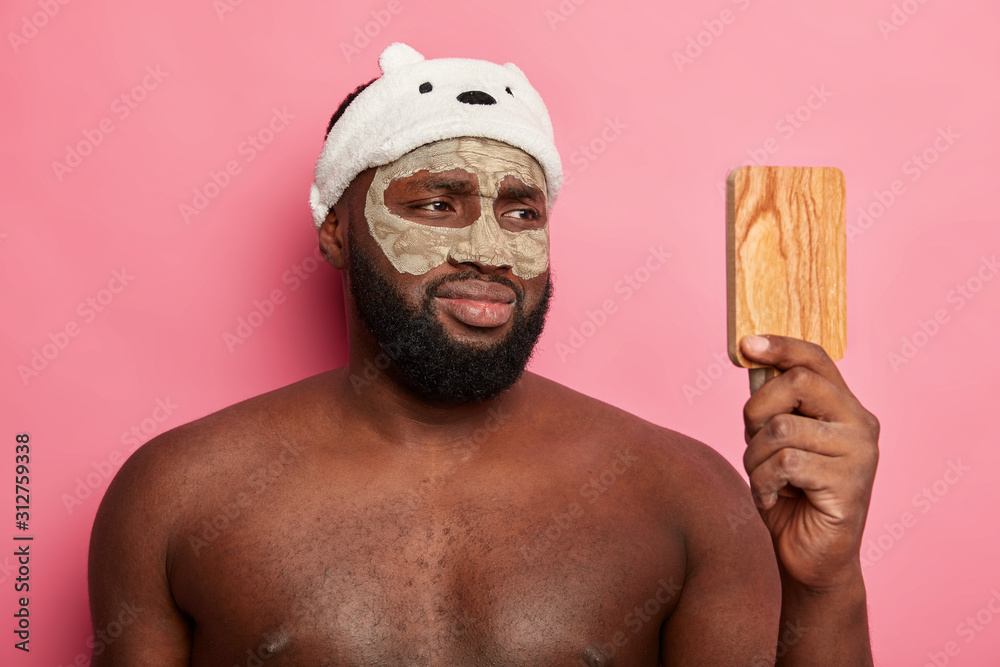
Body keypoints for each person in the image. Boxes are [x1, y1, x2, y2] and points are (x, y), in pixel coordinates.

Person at [88, 43, 879, 665]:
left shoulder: (688, 495)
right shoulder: (175, 496)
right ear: (335, 229)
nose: (489, 250)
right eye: (438, 203)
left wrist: (825, 582)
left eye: (521, 212)